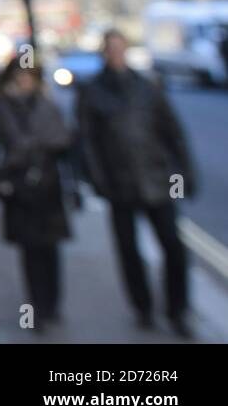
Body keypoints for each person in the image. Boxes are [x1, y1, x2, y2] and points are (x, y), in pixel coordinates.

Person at [76, 29, 199, 337]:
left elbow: (172, 132)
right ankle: (142, 308)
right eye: (111, 49)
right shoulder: (92, 91)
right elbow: (87, 141)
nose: (116, 54)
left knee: (173, 246)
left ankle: (177, 310)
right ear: (103, 53)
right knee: (129, 250)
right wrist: (97, 180)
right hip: (120, 184)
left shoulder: (147, 86)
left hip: (156, 178)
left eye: (121, 48)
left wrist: (184, 172)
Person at [0, 61, 74, 328]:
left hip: (48, 188)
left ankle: (52, 304)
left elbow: (64, 142)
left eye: (29, 77)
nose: (24, 82)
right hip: (19, 189)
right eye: (19, 77)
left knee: (50, 249)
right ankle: (37, 309)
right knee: (30, 252)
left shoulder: (48, 107)